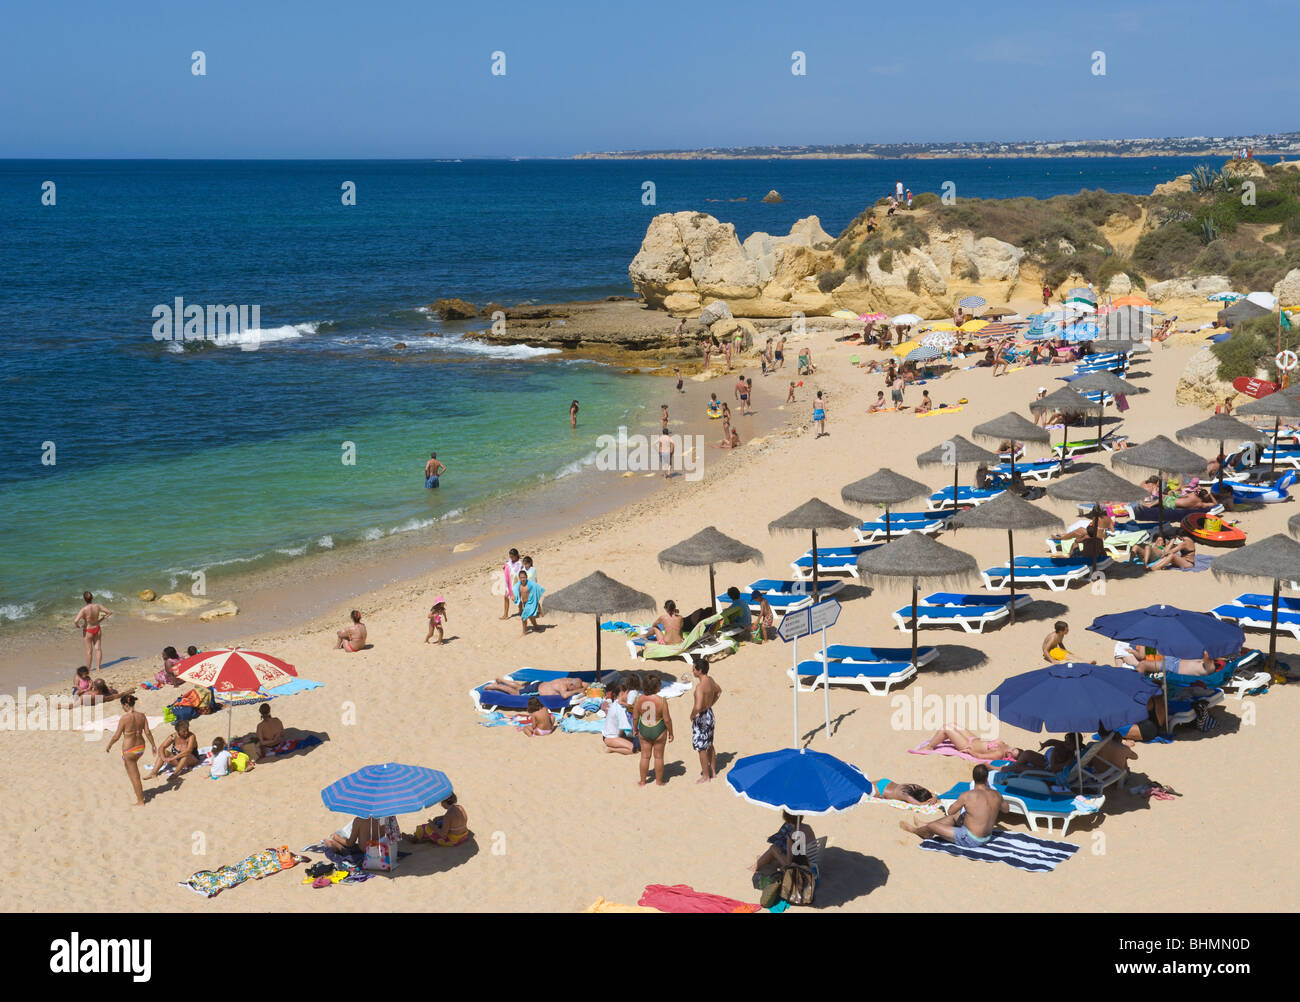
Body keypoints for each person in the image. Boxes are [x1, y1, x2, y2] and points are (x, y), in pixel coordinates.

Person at [900, 765, 1002, 846]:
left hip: (971, 839)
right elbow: (1006, 809)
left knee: (933, 826)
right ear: (987, 778)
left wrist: (963, 803)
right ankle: (924, 824)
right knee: (957, 816)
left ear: (973, 778)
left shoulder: (968, 795)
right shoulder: (997, 794)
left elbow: (950, 811)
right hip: (987, 837)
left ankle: (916, 830)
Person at [105, 694, 155, 807]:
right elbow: (147, 732)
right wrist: (153, 745)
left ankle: (140, 801)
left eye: (122, 706)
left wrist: (109, 745)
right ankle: (139, 795)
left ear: (126, 705)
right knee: (131, 772)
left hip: (129, 749)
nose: (122, 708)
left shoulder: (124, 718)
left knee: (134, 776)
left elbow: (117, 736)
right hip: (141, 747)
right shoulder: (142, 716)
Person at [633, 674, 673, 786]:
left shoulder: (638, 700)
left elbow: (635, 717)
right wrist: (671, 732)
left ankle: (642, 781)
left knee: (645, 756)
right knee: (659, 756)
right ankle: (659, 781)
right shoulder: (662, 701)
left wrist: (635, 729)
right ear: (656, 687)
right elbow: (667, 720)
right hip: (658, 729)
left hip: (644, 729)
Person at [690, 659, 721, 783]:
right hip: (709, 714)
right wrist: (710, 704)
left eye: (694, 669)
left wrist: (692, 715)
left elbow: (697, 706)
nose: (692, 671)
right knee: (710, 744)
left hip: (702, 717)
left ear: (699, 671)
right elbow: (718, 692)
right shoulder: (710, 680)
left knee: (701, 748)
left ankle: (706, 776)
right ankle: (713, 772)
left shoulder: (700, 686)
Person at [919, 725, 1020, 761]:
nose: (1011, 750)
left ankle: (930, 747)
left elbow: (980, 756)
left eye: (1012, 753)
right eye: (1014, 749)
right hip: (974, 739)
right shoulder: (1005, 745)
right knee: (953, 724)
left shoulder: (999, 754)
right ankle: (933, 743)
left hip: (968, 745)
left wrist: (969, 752)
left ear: (1010, 757)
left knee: (946, 729)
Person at [74, 591, 111, 672]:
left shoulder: (84, 609)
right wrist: (100, 620)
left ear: (84, 599)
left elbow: (75, 620)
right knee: (98, 649)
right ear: (92, 598)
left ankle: (88, 669)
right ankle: (98, 668)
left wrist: (78, 626)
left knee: (89, 651)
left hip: (88, 630)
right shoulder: (97, 606)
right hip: (97, 628)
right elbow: (109, 612)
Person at [601, 682, 638, 755]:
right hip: (610, 738)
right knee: (634, 749)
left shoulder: (618, 703)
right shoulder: (619, 707)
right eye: (626, 694)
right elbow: (627, 728)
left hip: (616, 735)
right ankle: (611, 749)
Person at [324, 815, 388, 853]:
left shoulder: (359, 820)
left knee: (331, 842)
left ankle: (333, 841)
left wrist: (336, 837)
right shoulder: (383, 817)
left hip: (364, 850)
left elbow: (350, 843)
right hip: (379, 847)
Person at [482, 675, 585, 699]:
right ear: (571, 685)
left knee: (519, 687)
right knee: (516, 693)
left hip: (539, 684)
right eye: (574, 688)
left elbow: (581, 683)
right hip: (536, 691)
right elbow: (564, 695)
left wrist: (583, 687)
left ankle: (502, 680)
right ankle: (497, 686)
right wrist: (580, 690)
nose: (574, 690)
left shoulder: (568, 680)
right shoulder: (562, 686)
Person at [873, 779, 938, 805]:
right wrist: (929, 801)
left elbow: (929, 792)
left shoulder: (914, 786)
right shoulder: (906, 796)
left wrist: (934, 796)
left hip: (887, 782)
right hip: (882, 790)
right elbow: (919, 804)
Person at [501, 548, 522, 619]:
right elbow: (508, 565)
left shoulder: (519, 564)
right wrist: (506, 567)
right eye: (510, 557)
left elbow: (516, 573)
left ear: (516, 556)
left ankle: (521, 611)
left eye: (512, 557)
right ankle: (506, 614)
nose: (511, 558)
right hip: (509, 583)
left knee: (516, 599)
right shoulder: (510, 561)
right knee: (506, 597)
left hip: (516, 583)